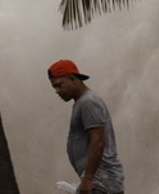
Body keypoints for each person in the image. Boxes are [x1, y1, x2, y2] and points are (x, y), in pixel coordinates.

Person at [49, 59, 125, 194]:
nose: (57, 91)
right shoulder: (82, 102)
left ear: (73, 79)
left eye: (59, 85)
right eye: (54, 87)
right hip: (99, 181)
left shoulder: (88, 102)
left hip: (101, 182)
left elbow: (98, 141)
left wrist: (88, 179)